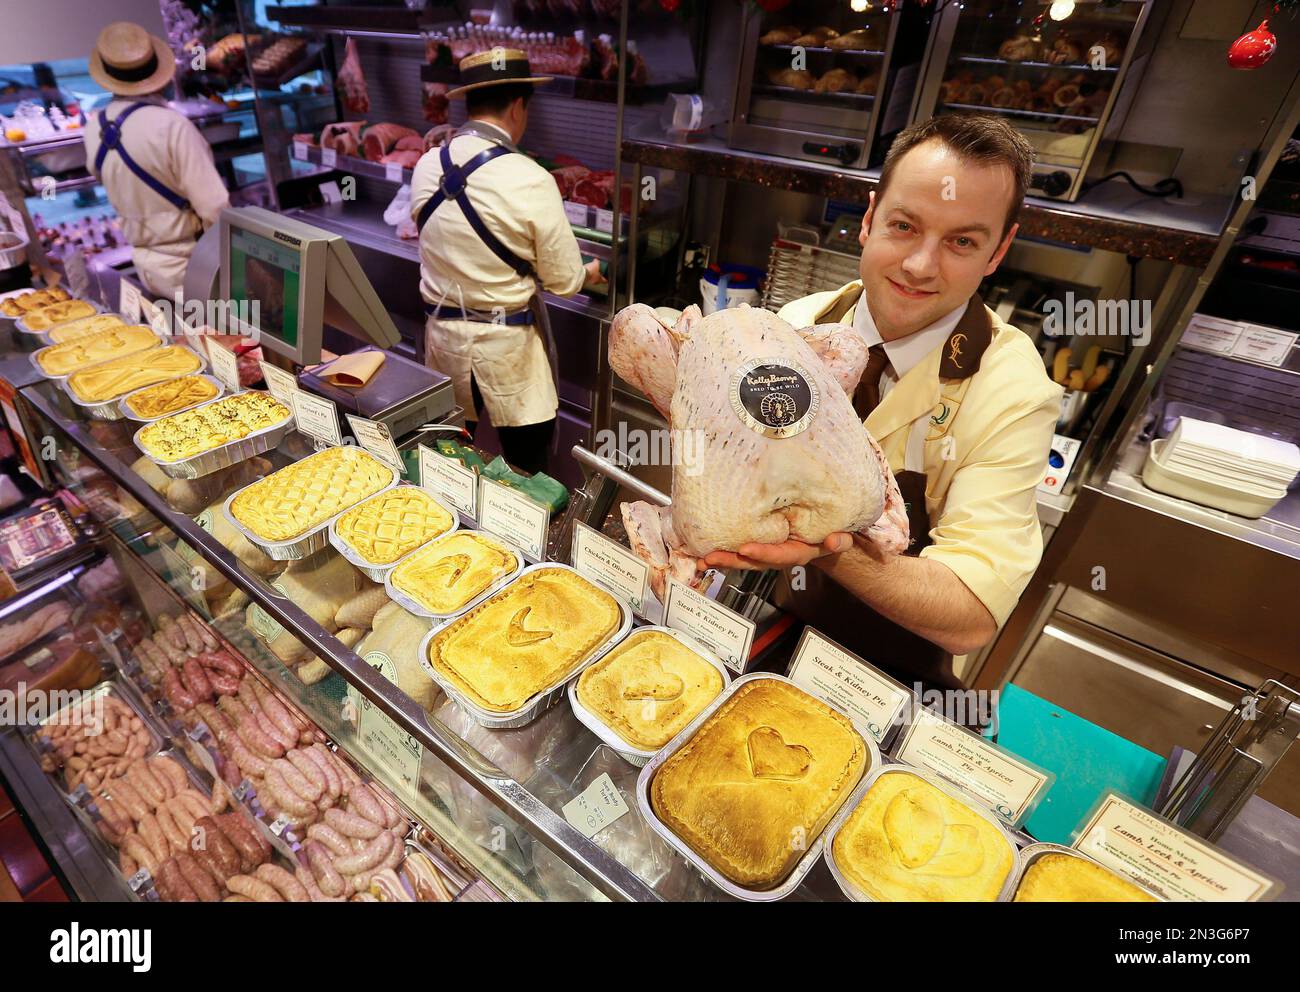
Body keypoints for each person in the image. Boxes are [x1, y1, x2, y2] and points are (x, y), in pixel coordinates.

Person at [705, 114, 1062, 687]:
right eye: (903, 226)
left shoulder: (1012, 394)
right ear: (869, 218)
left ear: (998, 252)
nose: (921, 266)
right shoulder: (795, 325)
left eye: (962, 242)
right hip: (764, 618)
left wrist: (816, 542)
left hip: (891, 671)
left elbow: (971, 614)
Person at [410, 48, 602, 475]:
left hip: (443, 341)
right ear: (518, 106)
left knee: (447, 464)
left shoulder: (425, 167)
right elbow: (565, 280)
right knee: (524, 472)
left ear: (470, 104)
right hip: (507, 351)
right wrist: (589, 271)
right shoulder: (530, 177)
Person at [83, 22, 230, 299]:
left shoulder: (94, 128)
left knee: (176, 339)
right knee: (219, 340)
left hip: (145, 266)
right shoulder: (171, 125)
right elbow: (215, 206)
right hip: (193, 266)